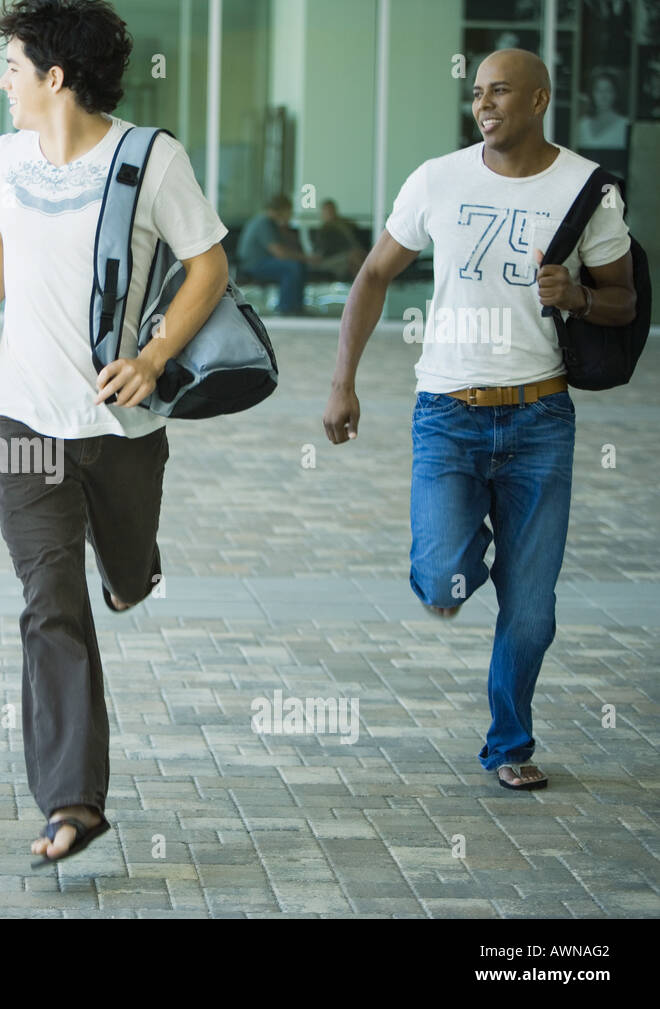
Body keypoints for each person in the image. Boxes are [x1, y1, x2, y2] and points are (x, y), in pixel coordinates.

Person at [0, 0, 229, 865]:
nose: (5, 83)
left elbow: (209, 262)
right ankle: (74, 800)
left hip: (120, 420)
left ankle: (133, 567)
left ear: (55, 78)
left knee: (126, 570)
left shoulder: (148, 159)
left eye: (16, 68)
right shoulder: (3, 159)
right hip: (23, 417)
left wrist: (155, 354)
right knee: (49, 599)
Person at [322, 49, 636, 792]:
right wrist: (343, 383)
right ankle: (474, 551)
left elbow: (623, 302)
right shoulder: (439, 178)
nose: (484, 104)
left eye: (499, 92)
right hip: (447, 415)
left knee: (530, 612)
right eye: (477, 93)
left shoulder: (588, 190)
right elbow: (373, 274)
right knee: (440, 579)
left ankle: (510, 742)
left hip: (539, 419)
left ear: (539, 100)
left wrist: (580, 297)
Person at [236, 194, 316, 314]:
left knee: (297, 265)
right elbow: (280, 252)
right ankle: (286, 308)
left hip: (263, 262)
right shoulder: (263, 222)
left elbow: (285, 248)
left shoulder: (271, 224)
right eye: (288, 211)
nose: (290, 215)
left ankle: (297, 307)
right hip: (254, 265)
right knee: (292, 267)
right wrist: (307, 258)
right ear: (281, 210)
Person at [312, 199, 366, 280]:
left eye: (331, 210)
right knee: (353, 257)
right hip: (328, 259)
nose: (330, 213)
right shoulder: (323, 230)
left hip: (346, 255)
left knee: (359, 255)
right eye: (327, 211)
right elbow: (320, 252)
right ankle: (363, 283)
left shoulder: (343, 225)